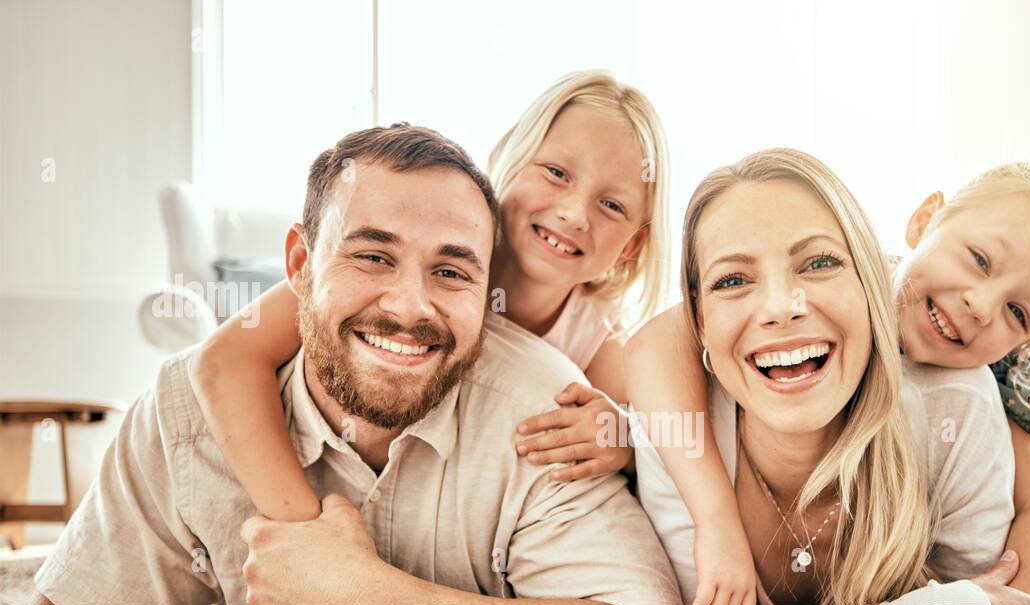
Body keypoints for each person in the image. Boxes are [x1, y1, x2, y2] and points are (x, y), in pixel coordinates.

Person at [9, 123, 689, 605]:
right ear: (300, 265)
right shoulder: (189, 408)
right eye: (372, 256)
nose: (409, 305)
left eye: (451, 272)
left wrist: (364, 598)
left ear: (488, 291)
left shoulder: (550, 411)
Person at [632, 149, 1030, 605]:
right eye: (733, 280)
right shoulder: (677, 424)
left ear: (869, 278)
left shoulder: (964, 401)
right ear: (698, 321)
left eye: (819, 263)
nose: (781, 306)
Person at [627, 161, 1030, 605]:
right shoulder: (835, 282)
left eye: (1018, 312)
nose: (980, 304)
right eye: (978, 260)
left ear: (1027, 344)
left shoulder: (985, 386)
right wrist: (711, 514)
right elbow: (661, 342)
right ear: (924, 219)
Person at [188, 71, 672, 524]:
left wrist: (626, 440)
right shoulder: (394, 274)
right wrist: (301, 529)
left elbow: (666, 455)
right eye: (556, 173)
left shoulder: (604, 348)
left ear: (631, 246)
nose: (573, 213)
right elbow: (222, 360)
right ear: (508, 159)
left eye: (611, 204)